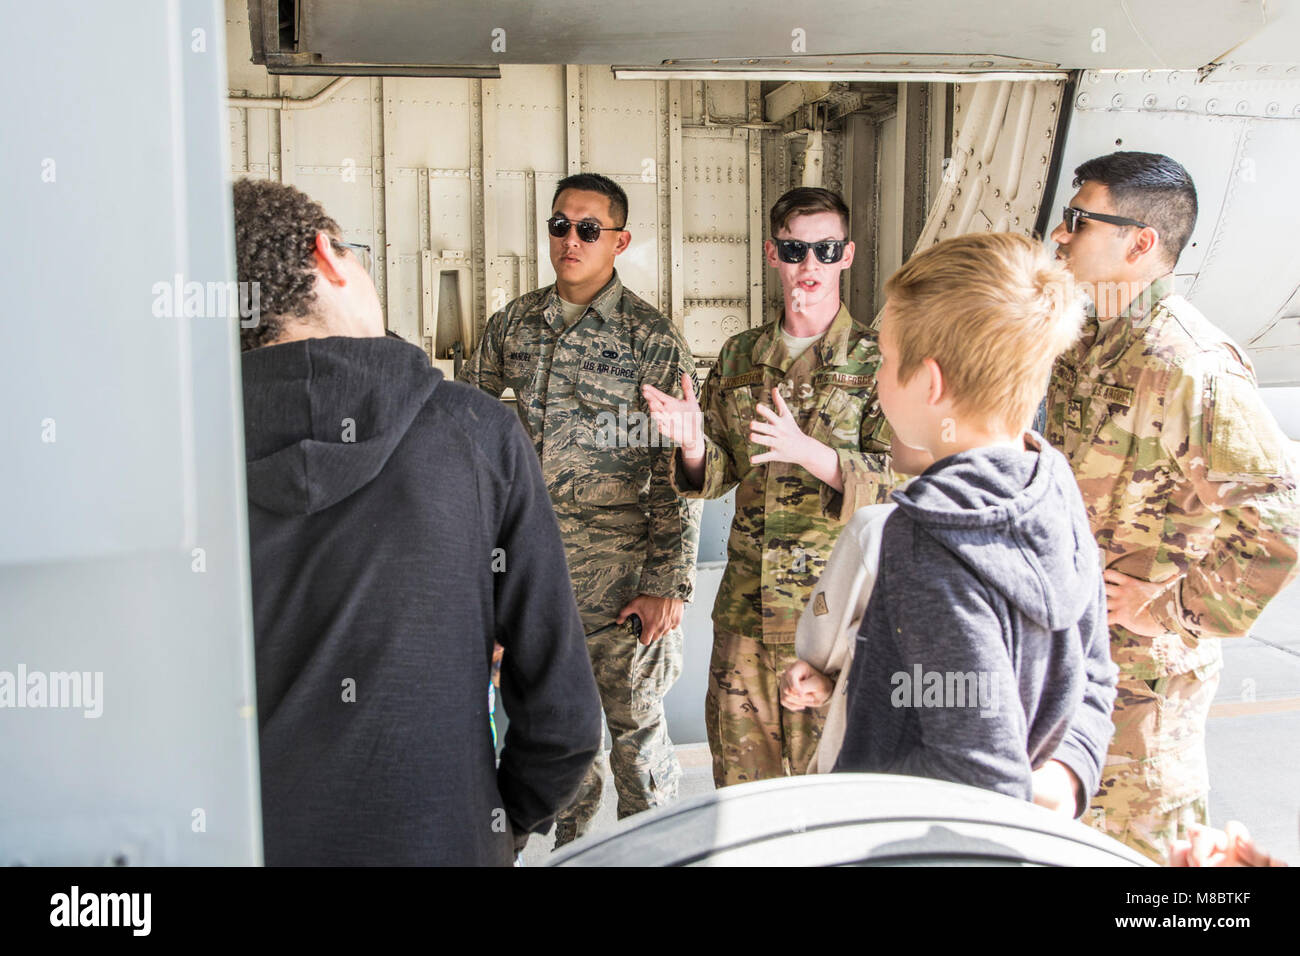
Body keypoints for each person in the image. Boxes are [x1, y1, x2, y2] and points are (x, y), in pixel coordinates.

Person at [232, 178, 602, 865]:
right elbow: (565, 722)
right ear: (327, 257)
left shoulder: (172, 466)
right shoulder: (477, 434)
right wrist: (499, 823)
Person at [1045, 151, 1300, 861]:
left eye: (1077, 221)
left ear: (1140, 242)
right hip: (1079, 666)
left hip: (1146, 698)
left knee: (1148, 871)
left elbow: (1280, 523)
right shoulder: (1086, 348)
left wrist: (1169, 609)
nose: (1060, 238)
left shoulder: (1191, 364)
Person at [832, 232, 1118, 816]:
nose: (879, 376)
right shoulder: (1053, 482)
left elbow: (972, 775)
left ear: (930, 383)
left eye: (886, 360)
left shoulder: (931, 534)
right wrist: (1062, 781)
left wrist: (845, 807)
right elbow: (1094, 675)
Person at [458, 173, 701, 847]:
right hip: (536, 574)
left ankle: (656, 855)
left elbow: (677, 467)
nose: (570, 240)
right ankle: (575, 855)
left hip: (623, 576)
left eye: (588, 229)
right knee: (559, 732)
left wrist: (667, 584)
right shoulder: (513, 324)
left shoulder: (649, 338)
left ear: (619, 241)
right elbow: (465, 430)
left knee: (636, 732)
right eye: (560, 225)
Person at [644, 187, 894, 787]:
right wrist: (694, 446)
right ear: (772, 254)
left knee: (835, 794)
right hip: (746, 618)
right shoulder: (739, 358)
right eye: (795, 248)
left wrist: (812, 454)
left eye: (825, 249)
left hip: (833, 618)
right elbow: (720, 474)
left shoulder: (880, 360)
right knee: (741, 794)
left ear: (847, 255)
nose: (810, 265)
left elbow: (903, 493)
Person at [778, 503, 895, 774]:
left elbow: (821, 646)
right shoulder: (1010, 526)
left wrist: (826, 675)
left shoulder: (874, 528)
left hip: (879, 754)